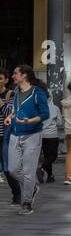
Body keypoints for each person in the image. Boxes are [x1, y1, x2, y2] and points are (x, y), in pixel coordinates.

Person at [5, 65, 50, 215]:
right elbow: (16, 110)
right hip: (15, 133)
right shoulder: (17, 91)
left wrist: (29, 121)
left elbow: (45, 114)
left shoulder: (38, 92)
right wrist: (10, 117)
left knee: (28, 171)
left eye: (15, 73)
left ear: (24, 76)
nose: (13, 76)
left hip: (32, 134)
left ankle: (26, 202)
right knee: (12, 169)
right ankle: (33, 188)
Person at [0, 71, 16, 204]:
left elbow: (10, 114)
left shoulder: (10, 94)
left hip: (4, 135)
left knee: (7, 168)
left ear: (5, 80)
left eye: (0, 79)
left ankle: (17, 192)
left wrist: (1, 103)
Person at [38, 101, 62, 184]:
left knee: (47, 156)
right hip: (52, 135)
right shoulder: (55, 108)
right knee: (53, 156)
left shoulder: (38, 107)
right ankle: (42, 168)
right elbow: (60, 123)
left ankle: (50, 176)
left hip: (41, 135)